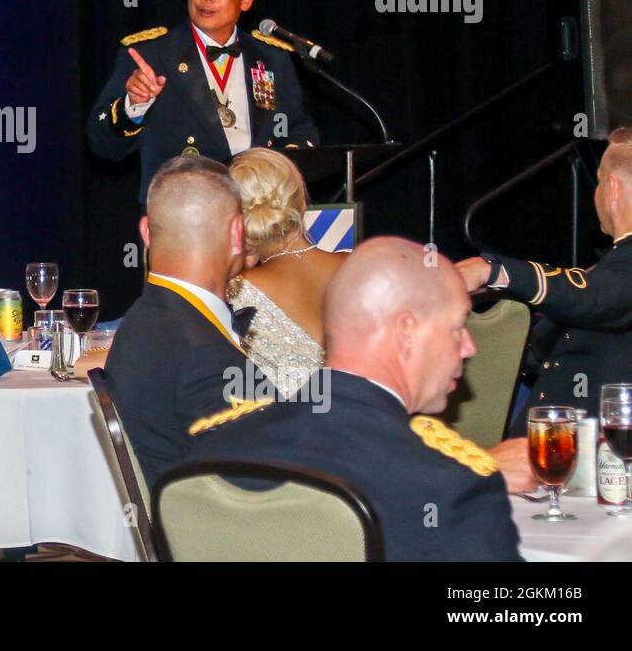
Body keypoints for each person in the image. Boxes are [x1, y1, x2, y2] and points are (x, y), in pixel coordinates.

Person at [184, 237, 522, 561]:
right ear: (406, 332)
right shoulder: (451, 487)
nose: (470, 347)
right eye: (457, 327)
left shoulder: (210, 454)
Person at [87, 0, 319, 203]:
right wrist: (133, 107)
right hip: (183, 215)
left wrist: (277, 169)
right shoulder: (151, 54)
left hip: (258, 212)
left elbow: (299, 129)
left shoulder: (272, 57)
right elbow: (102, 144)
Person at [103, 155, 272, 490]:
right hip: (234, 535)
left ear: (145, 233)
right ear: (238, 233)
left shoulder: (143, 319)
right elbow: (266, 478)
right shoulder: (201, 351)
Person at [459, 129, 632, 435]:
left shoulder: (616, 272)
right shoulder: (612, 265)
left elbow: (594, 298)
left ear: (612, 190)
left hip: (588, 459)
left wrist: (494, 270)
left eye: (599, 180)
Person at [227, 147, 345, 394]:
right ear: (302, 203)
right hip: (364, 425)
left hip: (283, 430)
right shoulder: (359, 268)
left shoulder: (234, 289)